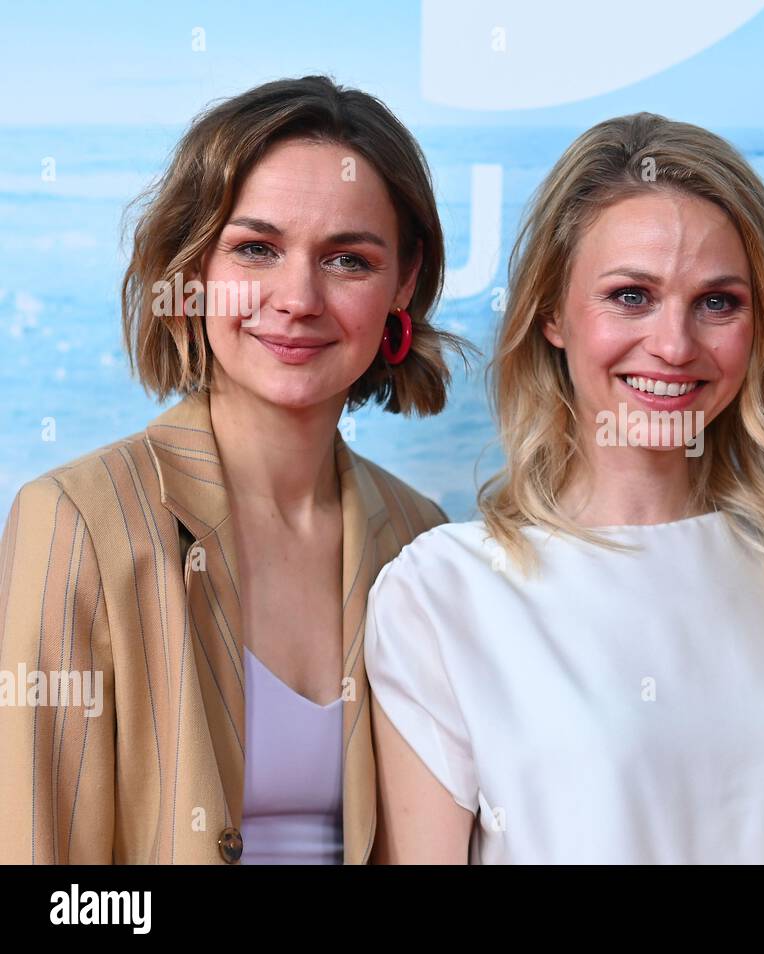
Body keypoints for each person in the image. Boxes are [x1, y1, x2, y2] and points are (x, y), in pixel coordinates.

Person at [0, 75, 467, 864]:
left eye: (348, 259)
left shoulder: (425, 541)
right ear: (194, 269)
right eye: (256, 249)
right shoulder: (75, 520)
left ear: (404, 283)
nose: (297, 298)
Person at [364, 112, 764, 863]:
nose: (675, 344)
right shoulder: (442, 595)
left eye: (719, 302)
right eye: (630, 296)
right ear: (553, 312)